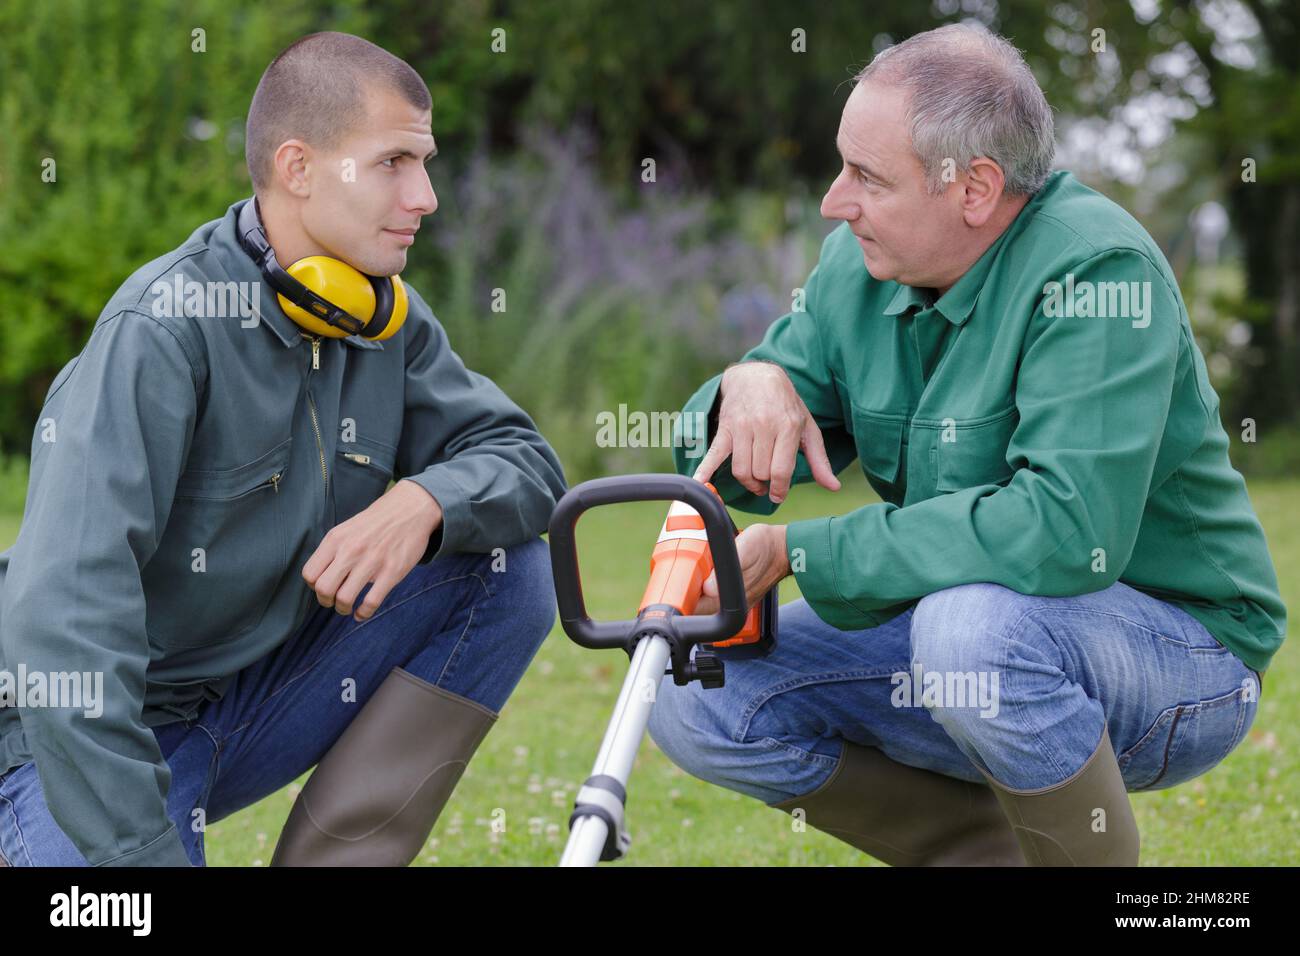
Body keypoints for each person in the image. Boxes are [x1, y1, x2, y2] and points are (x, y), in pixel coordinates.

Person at [647, 23, 1284, 866]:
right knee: (693, 690)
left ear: (974, 187)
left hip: (1185, 656)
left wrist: (806, 549)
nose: (835, 202)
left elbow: (1065, 533)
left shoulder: (1099, 276)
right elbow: (738, 465)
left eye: (867, 177)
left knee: (969, 632)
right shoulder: (857, 265)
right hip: (975, 628)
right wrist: (745, 384)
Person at [0, 31, 566, 867]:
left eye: (427, 161)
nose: (427, 196)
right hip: (76, 744)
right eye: (394, 163)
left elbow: (527, 462)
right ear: (299, 167)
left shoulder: (383, 320)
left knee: (507, 572)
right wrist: (142, 854)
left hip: (254, 703)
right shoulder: (163, 330)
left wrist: (425, 502)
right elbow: (64, 626)